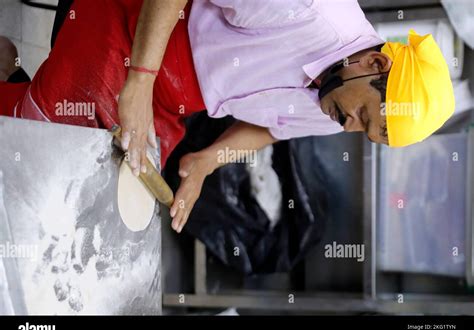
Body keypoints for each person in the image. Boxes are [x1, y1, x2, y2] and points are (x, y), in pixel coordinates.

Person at [0, 0, 455, 233]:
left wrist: (207, 161)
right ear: (376, 65)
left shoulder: (337, 104)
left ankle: (9, 73)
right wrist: (138, 79)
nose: (348, 126)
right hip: (136, 33)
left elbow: (270, 128)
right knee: (54, 152)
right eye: (362, 115)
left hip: (174, 103)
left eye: (364, 132)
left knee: (101, 193)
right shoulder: (307, 10)